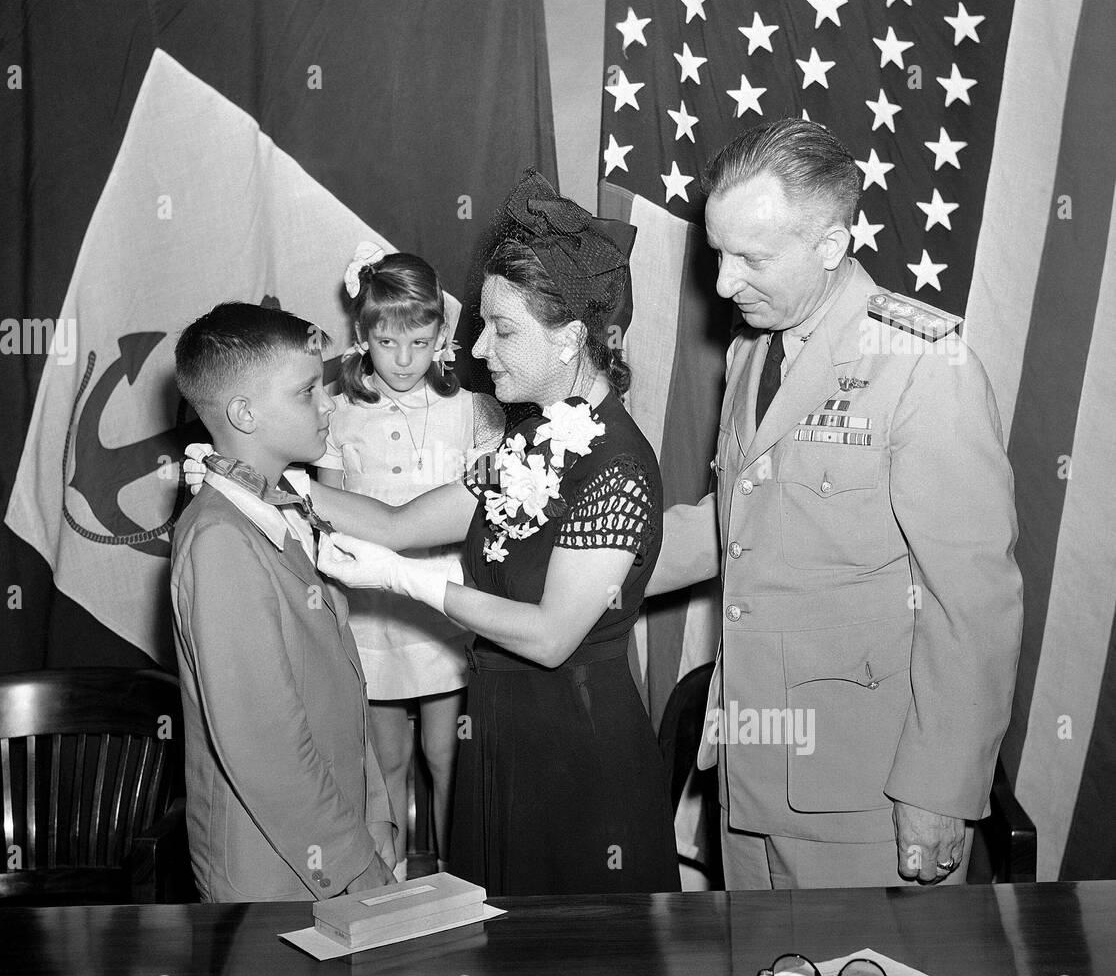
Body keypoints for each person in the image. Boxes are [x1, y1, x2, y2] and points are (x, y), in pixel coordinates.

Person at [188, 171, 679, 895]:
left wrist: (407, 580)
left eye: (504, 331)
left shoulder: (618, 469)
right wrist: (268, 479)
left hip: (575, 751)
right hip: (499, 733)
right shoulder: (534, 440)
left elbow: (549, 635)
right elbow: (400, 520)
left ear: (573, 335)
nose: (479, 352)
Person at [648, 118, 1023, 890]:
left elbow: (975, 601)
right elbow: (731, 529)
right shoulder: (755, 348)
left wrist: (939, 793)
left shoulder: (923, 364)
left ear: (830, 246)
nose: (721, 284)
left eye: (749, 258)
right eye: (717, 253)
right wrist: (561, 562)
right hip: (752, 770)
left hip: (869, 794)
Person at [170, 302, 397, 902]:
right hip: (273, 874)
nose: (327, 404)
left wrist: (376, 814)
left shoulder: (278, 509)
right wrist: (353, 866)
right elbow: (264, 745)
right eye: (306, 391)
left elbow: (342, 684)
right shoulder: (220, 539)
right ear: (243, 413)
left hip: (332, 845)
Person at [316, 243, 504, 880]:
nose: (403, 360)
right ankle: (390, 879)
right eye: (387, 343)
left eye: (419, 343)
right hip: (372, 614)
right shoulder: (339, 413)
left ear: (442, 337)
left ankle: (458, 873)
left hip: (444, 606)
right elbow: (330, 511)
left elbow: (496, 503)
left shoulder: (471, 409)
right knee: (386, 760)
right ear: (363, 335)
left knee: (446, 753)